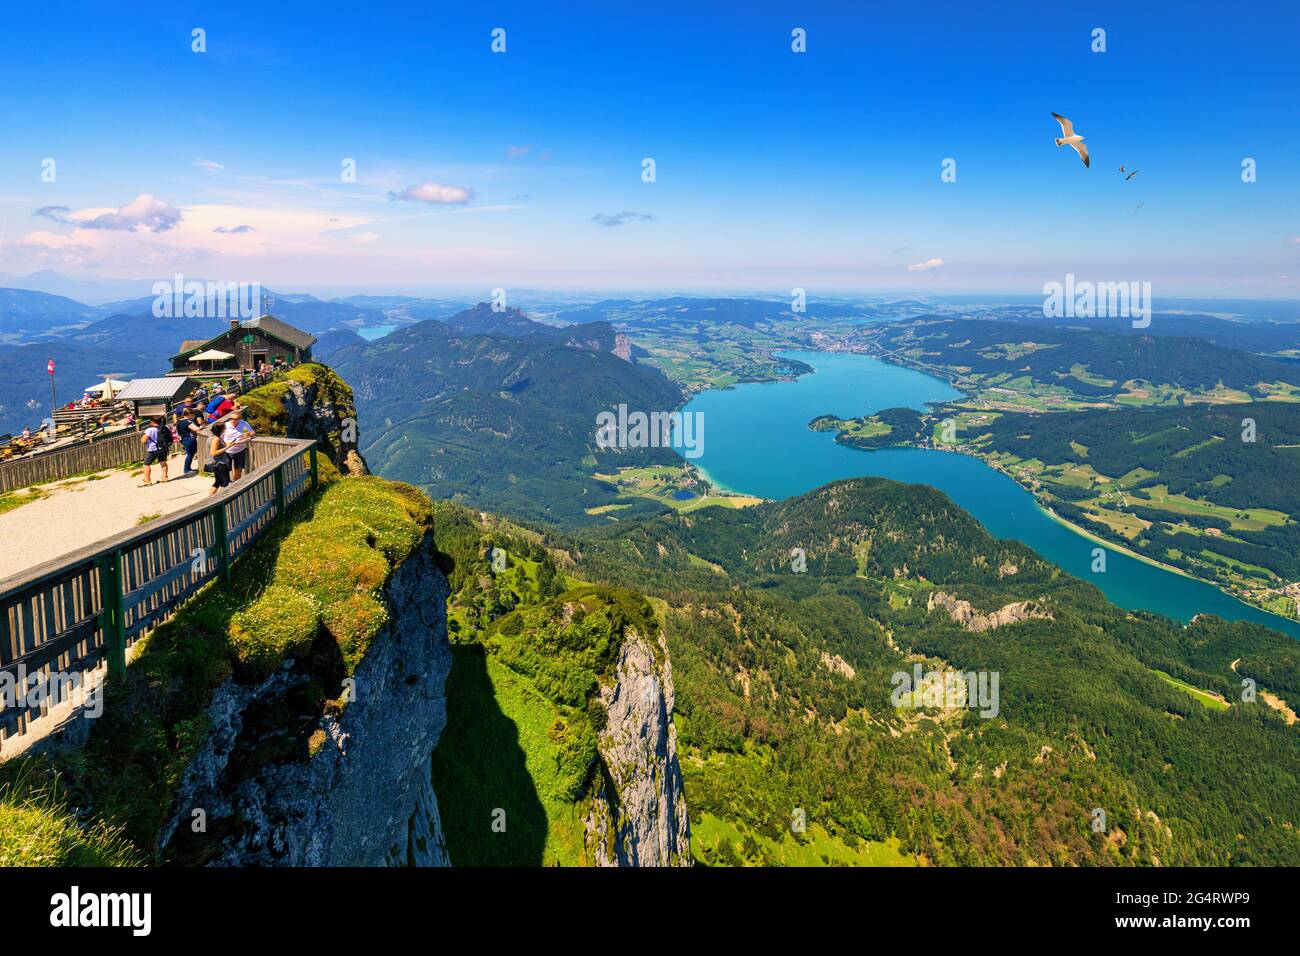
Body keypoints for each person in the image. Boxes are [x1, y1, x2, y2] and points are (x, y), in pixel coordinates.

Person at [221, 407, 255, 480]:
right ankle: (226, 485)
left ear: (239, 419)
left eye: (235, 419)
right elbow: (220, 437)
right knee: (226, 470)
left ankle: (235, 485)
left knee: (238, 470)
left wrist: (247, 435)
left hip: (240, 450)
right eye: (231, 418)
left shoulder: (244, 424)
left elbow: (252, 433)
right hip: (227, 451)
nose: (233, 420)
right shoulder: (225, 425)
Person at [140, 415, 170, 485]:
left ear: (152, 422)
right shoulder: (165, 427)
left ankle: (147, 480)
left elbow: (144, 440)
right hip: (164, 448)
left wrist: (142, 439)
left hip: (153, 449)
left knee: (146, 465)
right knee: (163, 462)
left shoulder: (150, 430)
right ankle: (165, 477)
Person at [205, 430, 232, 495]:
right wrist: (227, 447)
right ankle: (219, 499)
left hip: (217, 463)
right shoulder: (216, 439)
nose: (225, 429)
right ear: (221, 429)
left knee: (218, 482)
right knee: (225, 482)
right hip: (220, 463)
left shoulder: (211, 437)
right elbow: (213, 453)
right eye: (224, 428)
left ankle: (210, 499)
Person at [176, 407, 199, 475]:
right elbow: (196, 429)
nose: (194, 416)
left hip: (185, 439)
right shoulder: (187, 421)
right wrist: (201, 427)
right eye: (193, 414)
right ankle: (186, 470)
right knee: (190, 455)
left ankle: (188, 468)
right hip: (189, 439)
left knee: (190, 454)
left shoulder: (180, 421)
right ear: (190, 414)